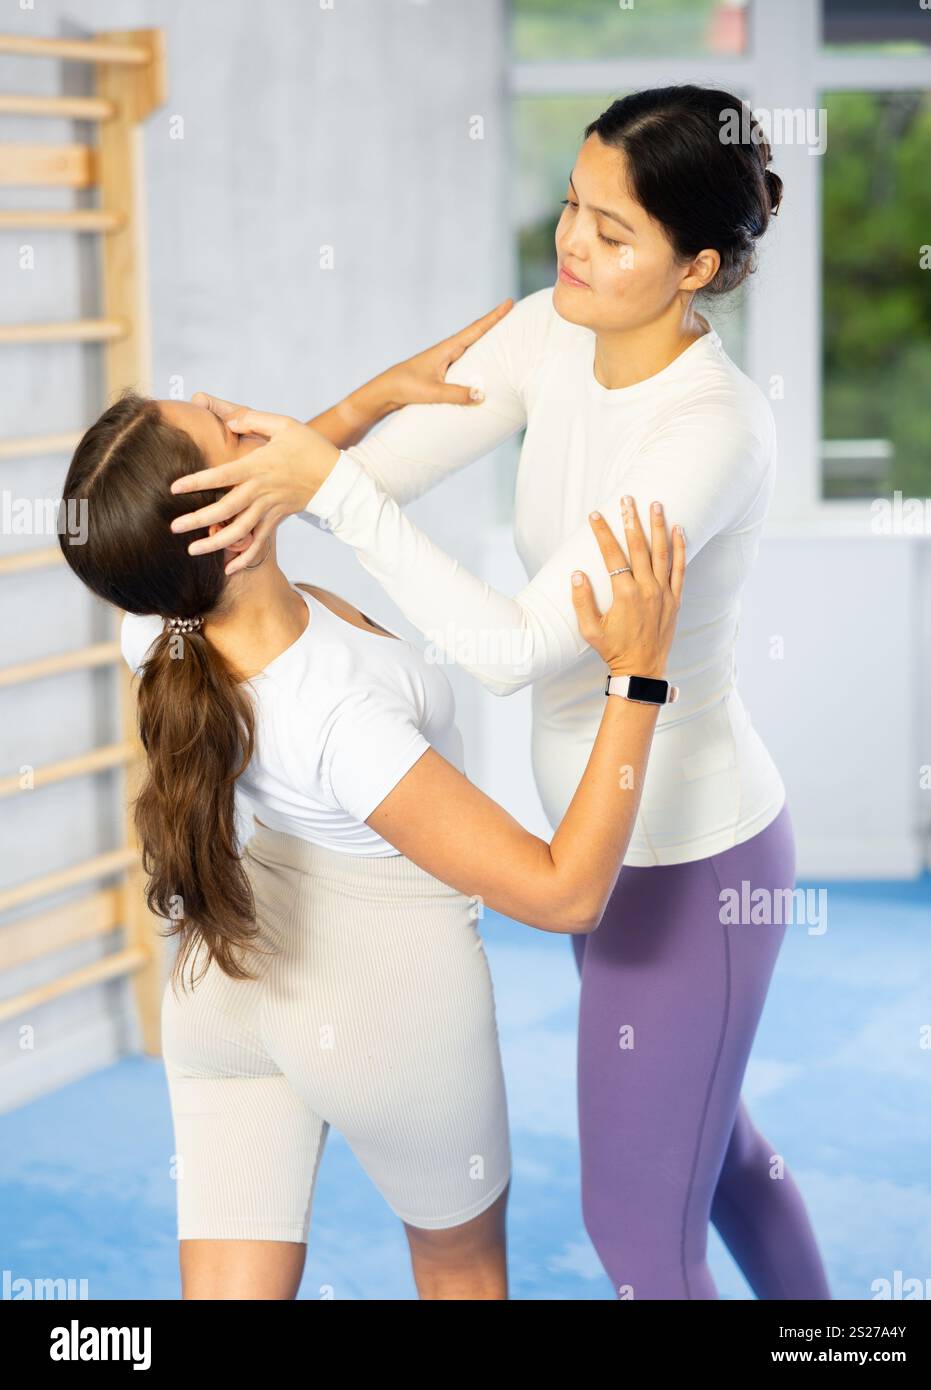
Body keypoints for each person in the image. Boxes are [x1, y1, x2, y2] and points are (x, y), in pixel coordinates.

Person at [169, 86, 831, 1300]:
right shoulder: (545, 329)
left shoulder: (708, 432)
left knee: (636, 1231)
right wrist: (328, 443)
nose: (572, 244)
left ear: (695, 266)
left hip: (688, 856)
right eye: (573, 206)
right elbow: (366, 479)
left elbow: (520, 645)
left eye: (613, 231)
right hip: (600, 831)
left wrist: (336, 485)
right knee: (716, 1150)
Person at [57, 377, 683, 1300]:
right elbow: (563, 894)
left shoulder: (159, 623)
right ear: (231, 522)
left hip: (222, 989)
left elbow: (286, 474)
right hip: (386, 1003)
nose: (232, 406)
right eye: (225, 427)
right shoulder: (341, 719)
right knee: (459, 1273)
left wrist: (384, 393)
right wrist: (639, 675)